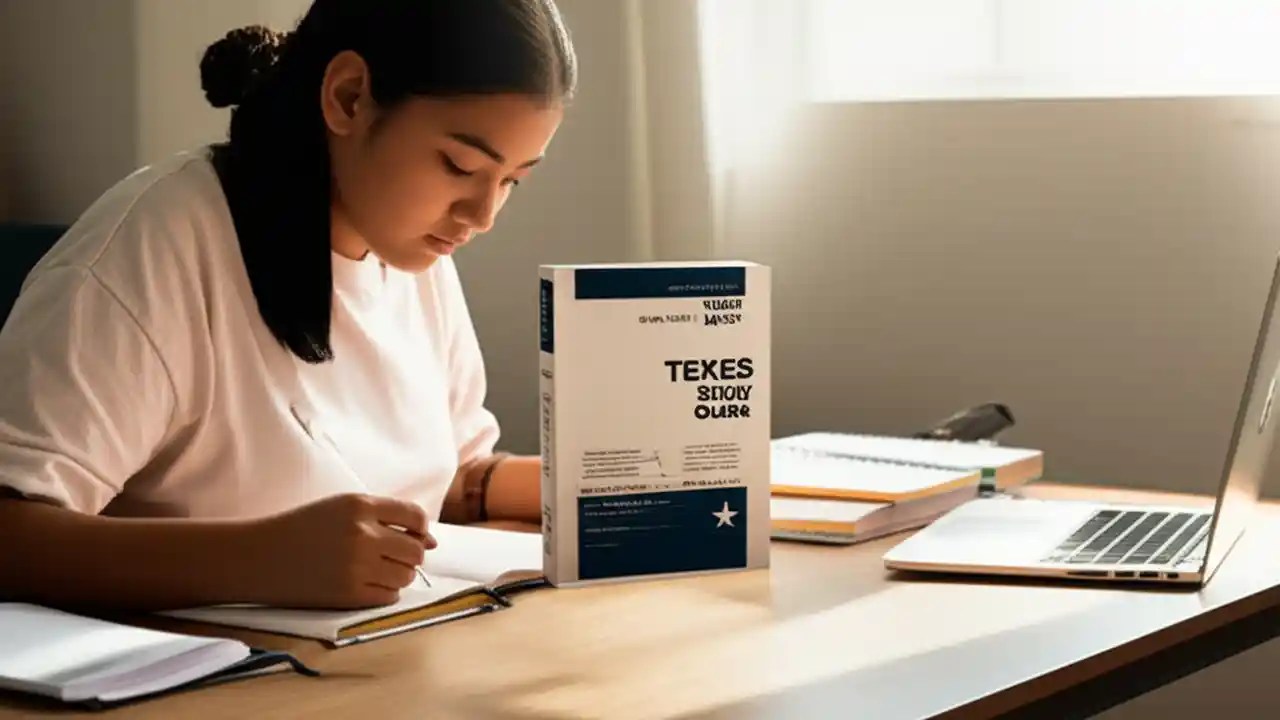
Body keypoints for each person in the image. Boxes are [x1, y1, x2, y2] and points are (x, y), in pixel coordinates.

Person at [0, 0, 575, 612]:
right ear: (350, 97)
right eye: (459, 166)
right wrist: (255, 561)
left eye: (512, 180)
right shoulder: (159, 245)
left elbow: (447, 479)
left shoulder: (412, 253)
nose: (482, 215)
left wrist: (603, 482)